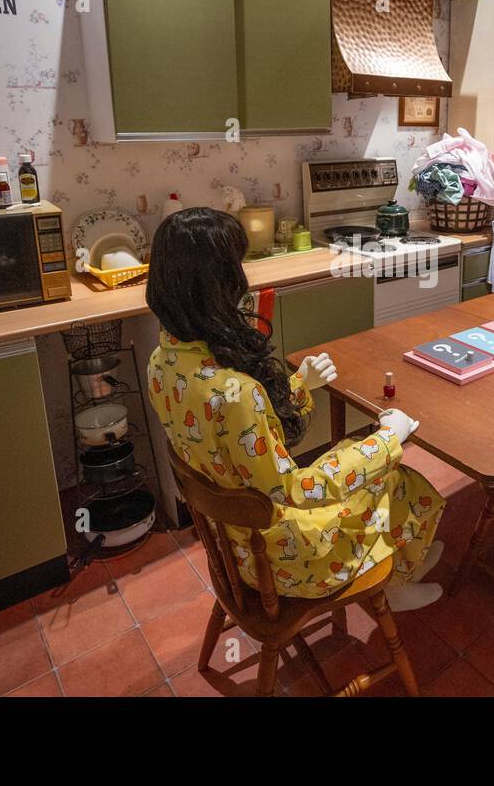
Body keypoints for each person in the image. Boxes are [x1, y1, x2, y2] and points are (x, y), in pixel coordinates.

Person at [145, 207, 446, 611]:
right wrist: (387, 438)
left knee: (355, 460)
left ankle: (401, 559)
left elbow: (237, 439)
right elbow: (296, 490)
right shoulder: (237, 393)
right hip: (280, 556)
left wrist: (300, 385)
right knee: (397, 479)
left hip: (232, 539)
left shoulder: (162, 363)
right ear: (218, 282)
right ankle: (394, 582)